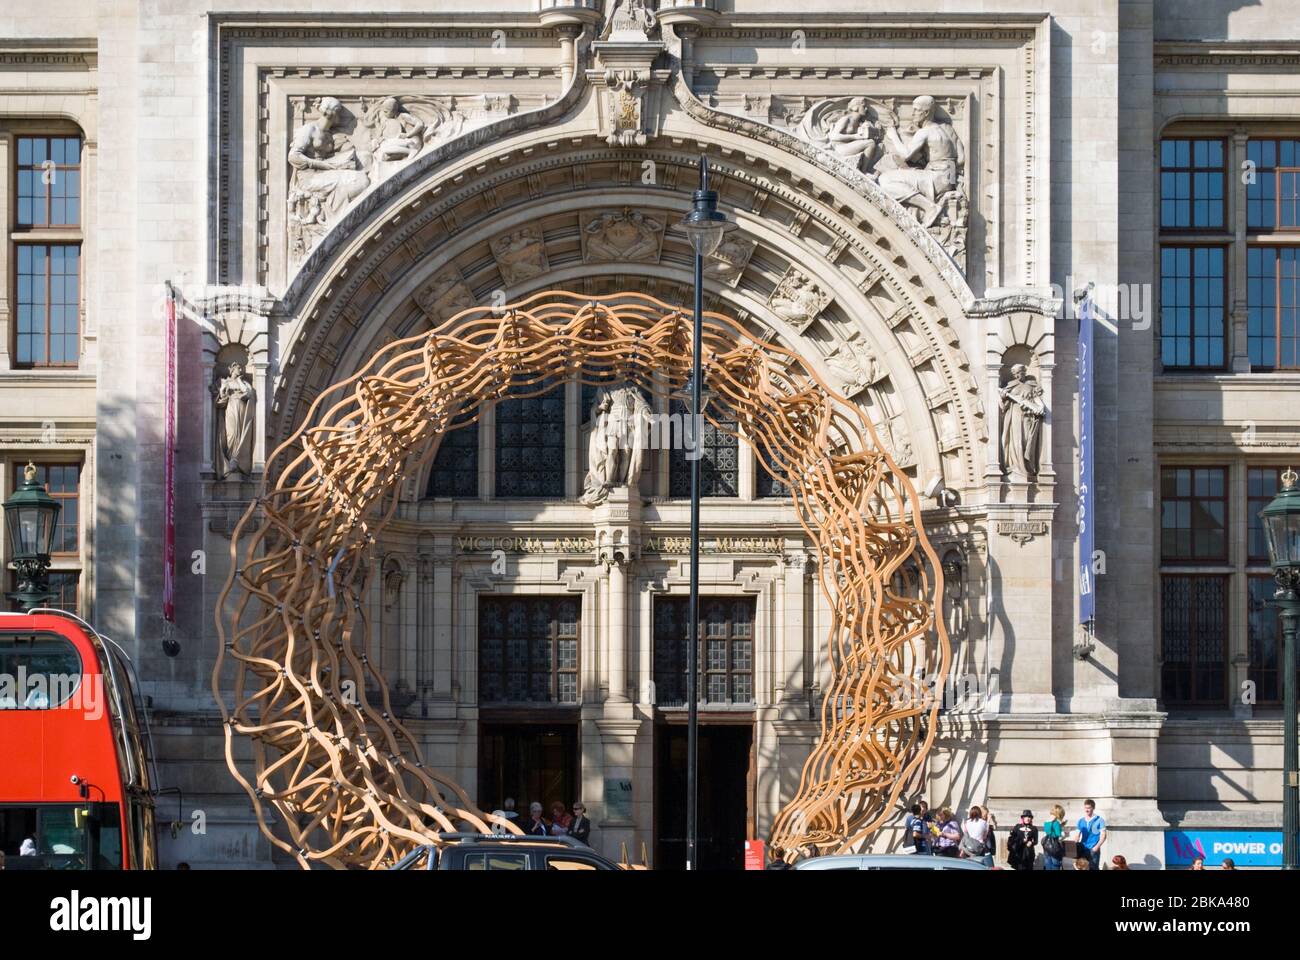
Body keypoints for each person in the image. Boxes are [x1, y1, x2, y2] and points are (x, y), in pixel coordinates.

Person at [1074, 799, 1107, 871]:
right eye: (1085, 808)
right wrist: (1074, 845)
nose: (1086, 810)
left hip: (1093, 849)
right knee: (1081, 868)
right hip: (1082, 848)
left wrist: (1097, 846)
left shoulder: (1099, 820)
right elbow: (1077, 835)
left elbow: (1103, 835)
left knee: (1093, 868)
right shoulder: (1081, 820)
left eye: (1088, 808)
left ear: (1093, 808)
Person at [1041, 804, 1066, 870]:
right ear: (1059, 813)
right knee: (1055, 865)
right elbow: (1059, 836)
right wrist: (1065, 833)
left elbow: (1048, 832)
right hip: (1055, 848)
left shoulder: (1046, 822)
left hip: (1046, 847)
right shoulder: (1056, 823)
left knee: (1048, 864)